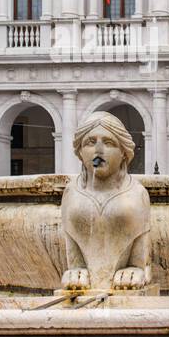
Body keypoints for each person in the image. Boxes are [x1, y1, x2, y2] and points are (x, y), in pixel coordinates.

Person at [59, 112, 152, 292]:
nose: (98, 151)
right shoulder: (71, 192)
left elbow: (143, 248)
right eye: (90, 142)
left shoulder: (137, 192)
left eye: (108, 143)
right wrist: (76, 269)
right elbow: (72, 246)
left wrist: (138, 268)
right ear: (79, 152)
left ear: (124, 153)